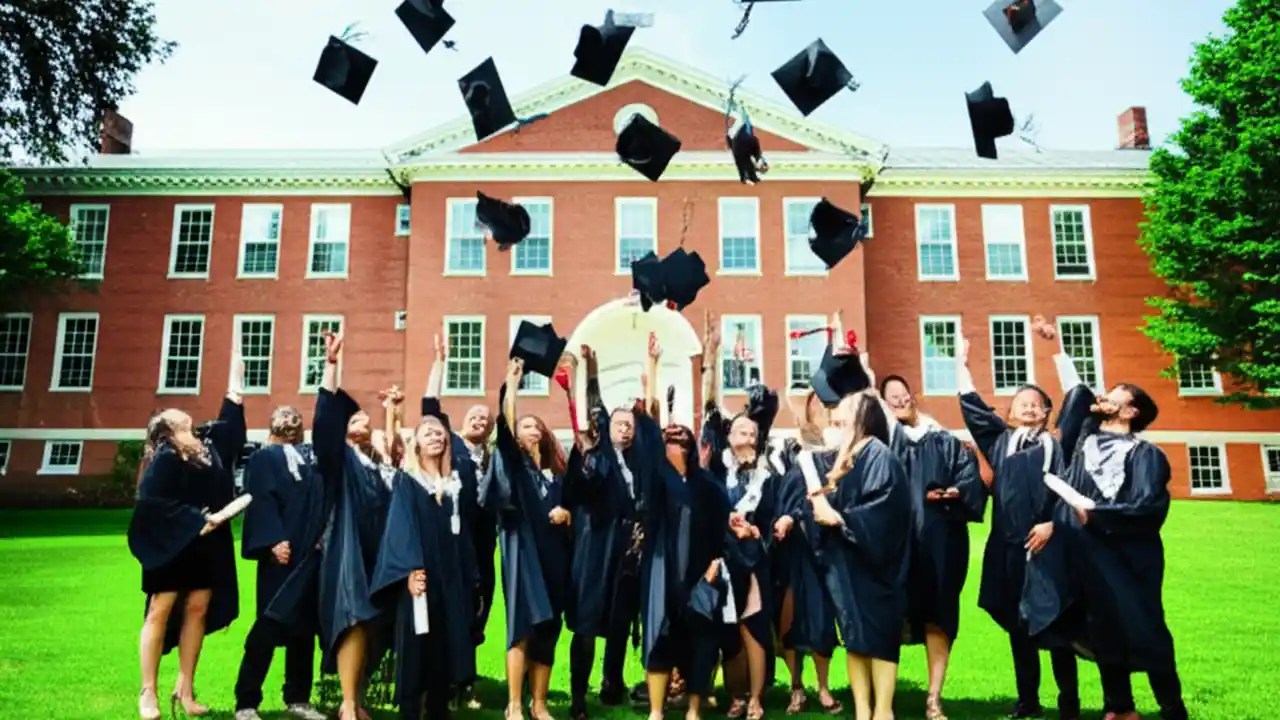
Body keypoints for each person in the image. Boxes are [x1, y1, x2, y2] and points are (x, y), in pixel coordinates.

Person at [1044, 335, 1188, 720]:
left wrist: (1097, 515)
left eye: (1114, 395)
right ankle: (1120, 707)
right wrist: (1057, 346)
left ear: (1131, 412)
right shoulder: (1082, 444)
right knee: (1100, 627)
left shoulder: (1146, 455)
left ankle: (1172, 707)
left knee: (1144, 627)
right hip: (1086, 555)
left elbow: (1147, 507)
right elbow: (1077, 397)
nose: (1103, 396)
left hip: (1129, 558)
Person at [956, 333, 1081, 720]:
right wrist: (961, 360)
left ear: (1046, 412)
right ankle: (1028, 700)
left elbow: (1078, 398)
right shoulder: (1001, 442)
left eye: (1037, 404)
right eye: (1021, 404)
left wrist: (1051, 525)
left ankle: (1069, 704)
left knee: (1055, 626)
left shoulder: (1058, 442)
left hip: (1047, 545)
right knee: (1018, 626)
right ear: (1010, 414)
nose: (1029, 409)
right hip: (1007, 549)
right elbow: (973, 409)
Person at [128, 357, 246, 719]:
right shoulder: (164, 457)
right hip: (172, 545)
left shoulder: (207, 448)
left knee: (197, 610)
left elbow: (233, 415)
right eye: (175, 414)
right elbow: (153, 503)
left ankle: (186, 689)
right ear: (165, 429)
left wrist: (237, 368)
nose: (184, 413)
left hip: (206, 547)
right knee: (159, 611)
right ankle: (148, 692)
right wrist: (197, 520)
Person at [874, 370, 986, 720]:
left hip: (941, 542)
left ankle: (934, 697)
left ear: (912, 396)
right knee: (890, 617)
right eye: (891, 396)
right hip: (896, 546)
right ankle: (884, 699)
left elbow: (970, 480)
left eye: (902, 393)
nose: (899, 399)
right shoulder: (882, 445)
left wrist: (958, 492)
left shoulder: (945, 441)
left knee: (938, 615)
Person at [372, 368, 479, 720]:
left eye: (440, 432)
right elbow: (399, 530)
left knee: (443, 661)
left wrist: (471, 581)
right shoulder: (409, 482)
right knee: (416, 657)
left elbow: (464, 539)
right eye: (427, 433)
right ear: (416, 442)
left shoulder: (455, 485)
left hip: (451, 584)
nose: (436, 436)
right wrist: (407, 573)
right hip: (420, 581)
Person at [797, 390, 911, 720]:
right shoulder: (846, 458)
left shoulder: (878, 454)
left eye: (846, 410)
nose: (838, 415)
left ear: (864, 417)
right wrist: (820, 500)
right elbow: (827, 501)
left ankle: (883, 710)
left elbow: (883, 506)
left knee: (879, 637)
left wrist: (841, 518)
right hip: (847, 564)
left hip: (876, 564)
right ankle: (863, 711)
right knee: (855, 636)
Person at [637, 335, 730, 720]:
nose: (675, 439)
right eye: (669, 436)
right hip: (662, 571)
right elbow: (649, 423)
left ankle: (694, 708)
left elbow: (722, 526)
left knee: (701, 640)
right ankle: (657, 710)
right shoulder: (656, 476)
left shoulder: (707, 485)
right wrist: (653, 367)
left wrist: (716, 563)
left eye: (682, 437)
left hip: (699, 573)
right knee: (659, 636)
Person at [565, 344, 652, 720]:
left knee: (620, 619)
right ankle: (578, 696)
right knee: (586, 621)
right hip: (595, 545)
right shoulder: (593, 453)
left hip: (628, 549)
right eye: (620, 424)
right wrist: (593, 368)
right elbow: (594, 407)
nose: (625, 429)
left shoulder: (639, 459)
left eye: (629, 425)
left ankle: (611, 682)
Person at [699, 320, 781, 720]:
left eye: (749, 430)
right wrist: (711, 356)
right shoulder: (718, 467)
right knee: (725, 629)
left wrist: (756, 530)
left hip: (753, 556)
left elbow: (777, 514)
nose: (742, 433)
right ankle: (734, 696)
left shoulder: (770, 473)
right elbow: (709, 407)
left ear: (758, 437)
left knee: (753, 626)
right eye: (737, 429)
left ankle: (756, 698)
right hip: (722, 556)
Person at [484, 357, 573, 720]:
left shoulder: (555, 475)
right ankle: (515, 703)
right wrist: (512, 384)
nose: (532, 429)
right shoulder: (515, 467)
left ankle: (539, 703)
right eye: (526, 425)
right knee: (522, 625)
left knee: (550, 626)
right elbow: (503, 425)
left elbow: (575, 512)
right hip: (523, 552)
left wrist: (567, 514)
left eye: (537, 425)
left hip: (555, 556)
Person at [312, 332, 395, 720]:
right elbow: (325, 426)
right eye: (354, 418)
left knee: (374, 622)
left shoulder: (373, 465)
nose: (361, 421)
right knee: (354, 617)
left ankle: (357, 698)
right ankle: (347, 704)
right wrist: (331, 367)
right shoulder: (338, 459)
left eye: (366, 418)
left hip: (375, 551)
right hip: (346, 551)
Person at [233, 406, 328, 720]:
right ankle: (246, 703)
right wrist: (273, 539)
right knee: (269, 625)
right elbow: (262, 498)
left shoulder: (310, 458)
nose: (291, 421)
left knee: (304, 629)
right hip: (281, 554)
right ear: (271, 423)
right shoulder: (263, 458)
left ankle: (298, 699)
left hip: (309, 553)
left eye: (296, 418)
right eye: (285, 417)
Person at [421, 335, 493, 710]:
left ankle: (466, 679)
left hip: (483, 546)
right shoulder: (453, 447)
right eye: (474, 416)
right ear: (463, 423)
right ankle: (448, 683)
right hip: (454, 541)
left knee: (478, 612)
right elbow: (430, 409)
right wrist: (440, 364)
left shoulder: (494, 457)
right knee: (453, 609)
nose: (480, 420)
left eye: (486, 418)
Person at [773, 394, 842, 717]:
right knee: (789, 622)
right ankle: (796, 685)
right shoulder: (789, 460)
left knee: (820, 621)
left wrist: (796, 514)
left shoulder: (836, 461)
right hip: (792, 554)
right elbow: (781, 503)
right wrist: (786, 518)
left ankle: (823, 686)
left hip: (822, 552)